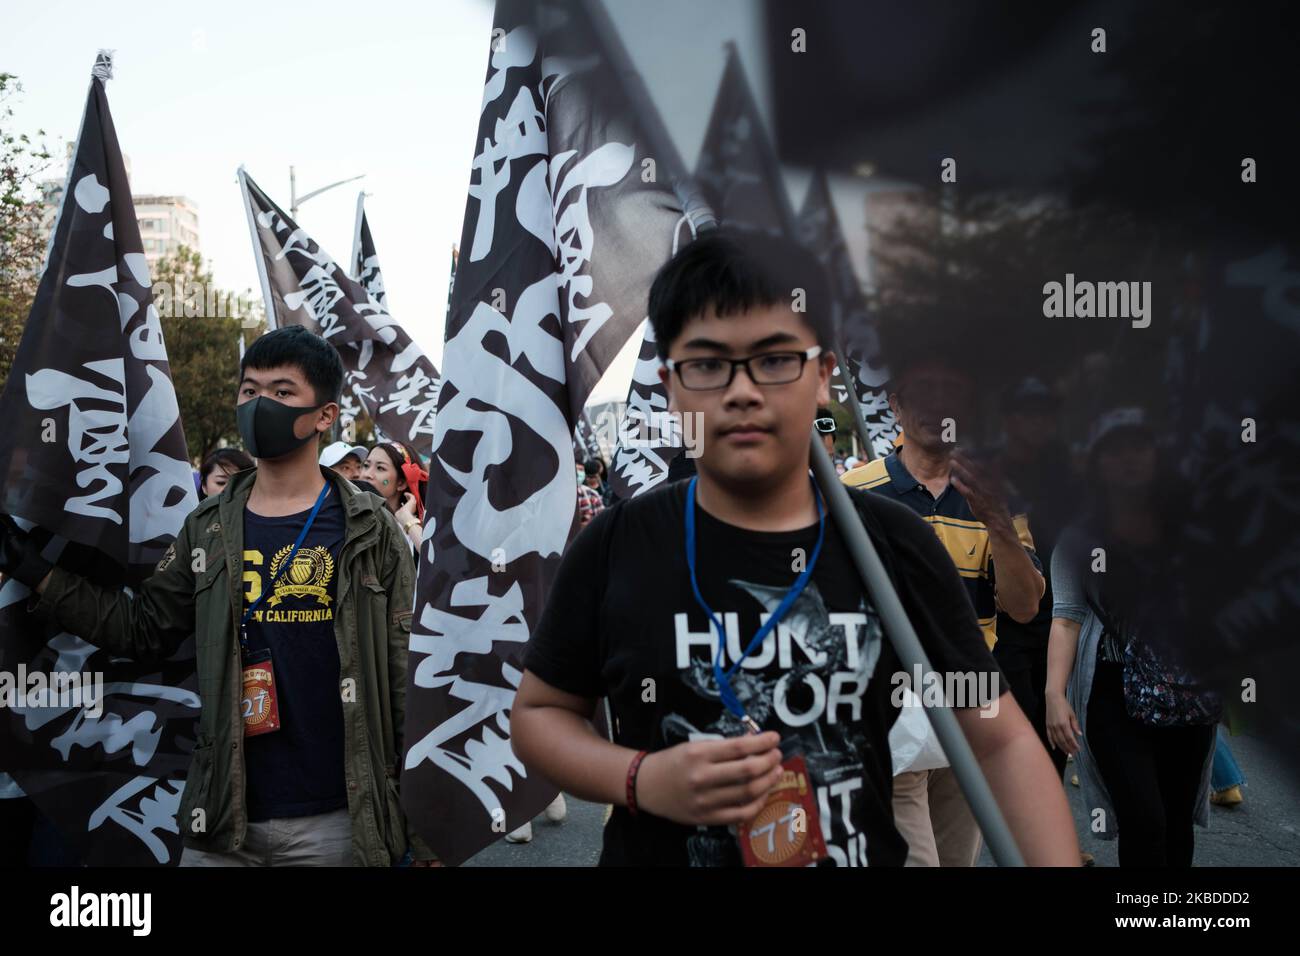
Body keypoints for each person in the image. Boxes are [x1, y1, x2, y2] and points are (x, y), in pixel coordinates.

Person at [509, 228, 1078, 867]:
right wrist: (641, 778)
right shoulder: (618, 545)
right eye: (708, 364)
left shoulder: (892, 544)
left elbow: (1000, 739)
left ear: (823, 375)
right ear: (669, 384)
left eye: (776, 359)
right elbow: (539, 713)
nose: (743, 390)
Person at [0, 326, 434, 866]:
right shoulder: (206, 526)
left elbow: (405, 674)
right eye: (250, 391)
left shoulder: (369, 528)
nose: (259, 405)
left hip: (338, 822)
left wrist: (424, 826)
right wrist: (39, 573)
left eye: (281, 392)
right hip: (224, 820)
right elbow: (143, 628)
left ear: (325, 415)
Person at [842, 354, 1045, 867]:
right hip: (889, 710)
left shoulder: (996, 496)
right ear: (895, 405)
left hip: (972, 709)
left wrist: (997, 522)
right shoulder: (852, 494)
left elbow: (1024, 608)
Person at [1046, 409, 1218, 866]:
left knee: (1177, 819)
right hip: (1111, 692)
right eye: (1115, 449)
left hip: (1186, 689)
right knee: (1145, 820)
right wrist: (1054, 695)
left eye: (1139, 447)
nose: (1128, 459)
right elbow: (1066, 617)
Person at [360, 441, 428, 552]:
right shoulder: (347, 516)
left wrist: (407, 519)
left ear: (401, 483)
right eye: (366, 465)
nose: (367, 474)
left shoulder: (422, 528)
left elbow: (434, 558)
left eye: (380, 468)